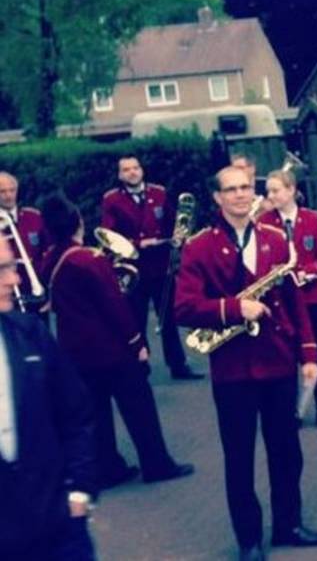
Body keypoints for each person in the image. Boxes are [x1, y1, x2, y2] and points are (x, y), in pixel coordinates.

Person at [175, 166, 317, 560]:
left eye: (246, 187)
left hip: (277, 362)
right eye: (231, 189)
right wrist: (233, 308)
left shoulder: (277, 240)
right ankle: (248, 539)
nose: (241, 195)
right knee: (239, 458)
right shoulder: (199, 246)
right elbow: (184, 306)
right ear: (217, 197)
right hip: (233, 370)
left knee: (287, 451)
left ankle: (288, 525)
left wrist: (309, 355)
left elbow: (295, 303)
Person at [39, 194, 194, 489]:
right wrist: (137, 342)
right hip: (112, 350)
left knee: (96, 411)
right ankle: (156, 463)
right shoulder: (89, 259)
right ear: (78, 222)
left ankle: (108, 467)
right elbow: (114, 305)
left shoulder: (51, 258)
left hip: (76, 351)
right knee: (140, 408)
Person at [0, 237, 99, 560]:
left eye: (12, 267)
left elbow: (76, 414)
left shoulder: (30, 333)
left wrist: (79, 492)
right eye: (1, 270)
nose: (14, 280)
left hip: (58, 526)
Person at [100, 155, 202, 380]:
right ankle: (140, 364)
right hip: (134, 268)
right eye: (126, 170)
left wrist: (178, 239)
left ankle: (178, 364)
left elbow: (173, 224)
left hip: (160, 266)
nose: (132, 173)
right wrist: (137, 243)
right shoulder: (112, 200)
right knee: (136, 319)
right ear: (120, 175)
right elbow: (109, 235)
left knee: (168, 318)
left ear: (142, 170)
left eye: (135, 168)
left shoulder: (159, 193)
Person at [260, 170, 317, 430]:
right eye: (268, 191)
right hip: (281, 299)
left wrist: (310, 271)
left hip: (311, 296)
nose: (270, 196)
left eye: (275, 190)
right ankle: (293, 408)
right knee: (286, 353)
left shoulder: (314, 219)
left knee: (316, 352)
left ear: (291, 190)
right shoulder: (265, 221)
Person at [0, 171, 46, 309]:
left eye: (12, 190)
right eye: (2, 192)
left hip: (35, 288)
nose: (8, 196)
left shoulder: (34, 217)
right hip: (6, 293)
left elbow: (46, 250)